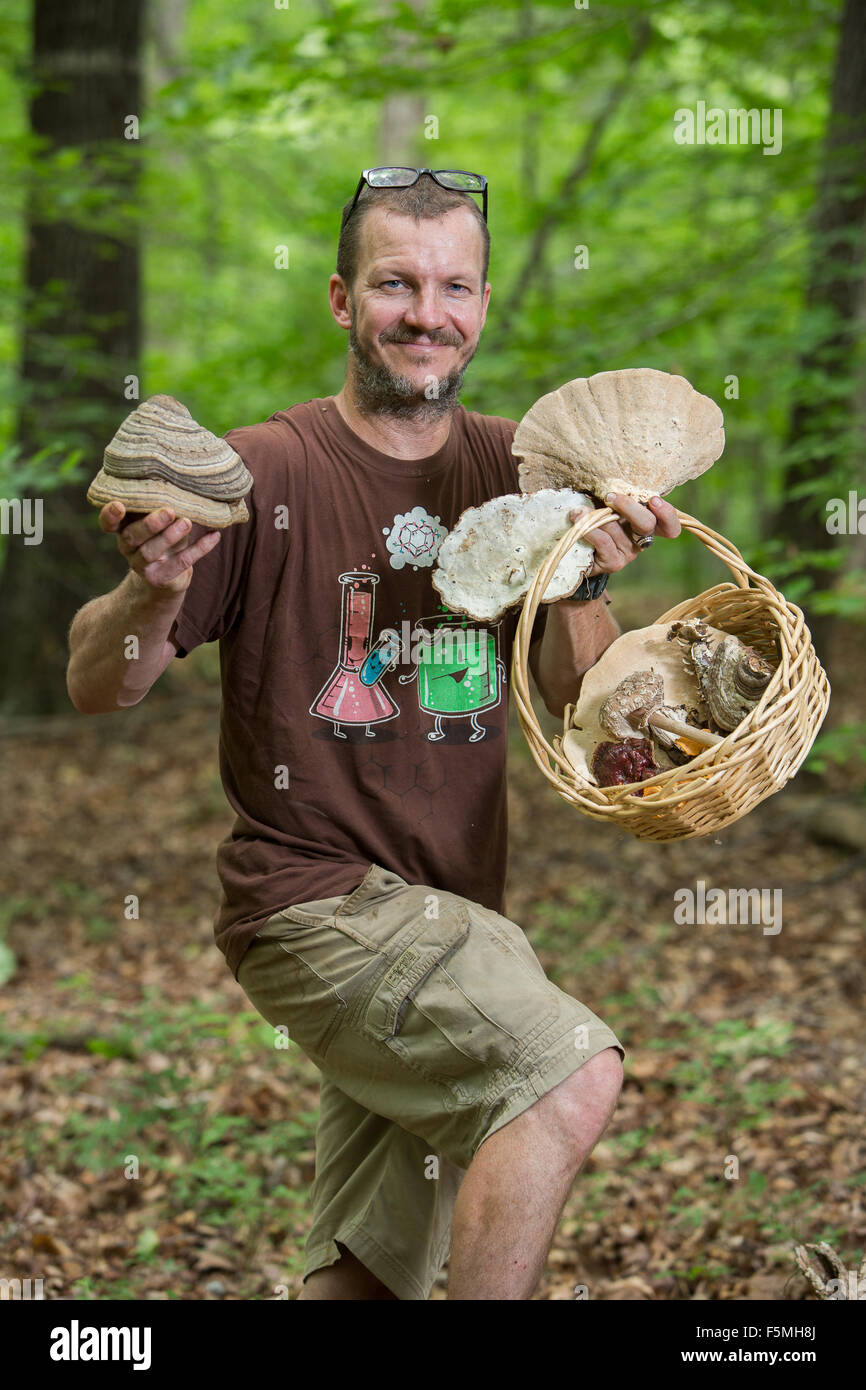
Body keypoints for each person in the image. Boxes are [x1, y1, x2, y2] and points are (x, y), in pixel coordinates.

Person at [66, 168, 681, 1301]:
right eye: (395, 282)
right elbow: (100, 685)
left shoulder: (526, 468)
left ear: (482, 306)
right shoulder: (266, 471)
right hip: (314, 900)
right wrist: (150, 595)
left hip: (454, 910)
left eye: (452, 286)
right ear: (344, 301)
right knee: (565, 1075)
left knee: (366, 1270)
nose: (425, 312)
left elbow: (580, 705)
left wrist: (584, 571)